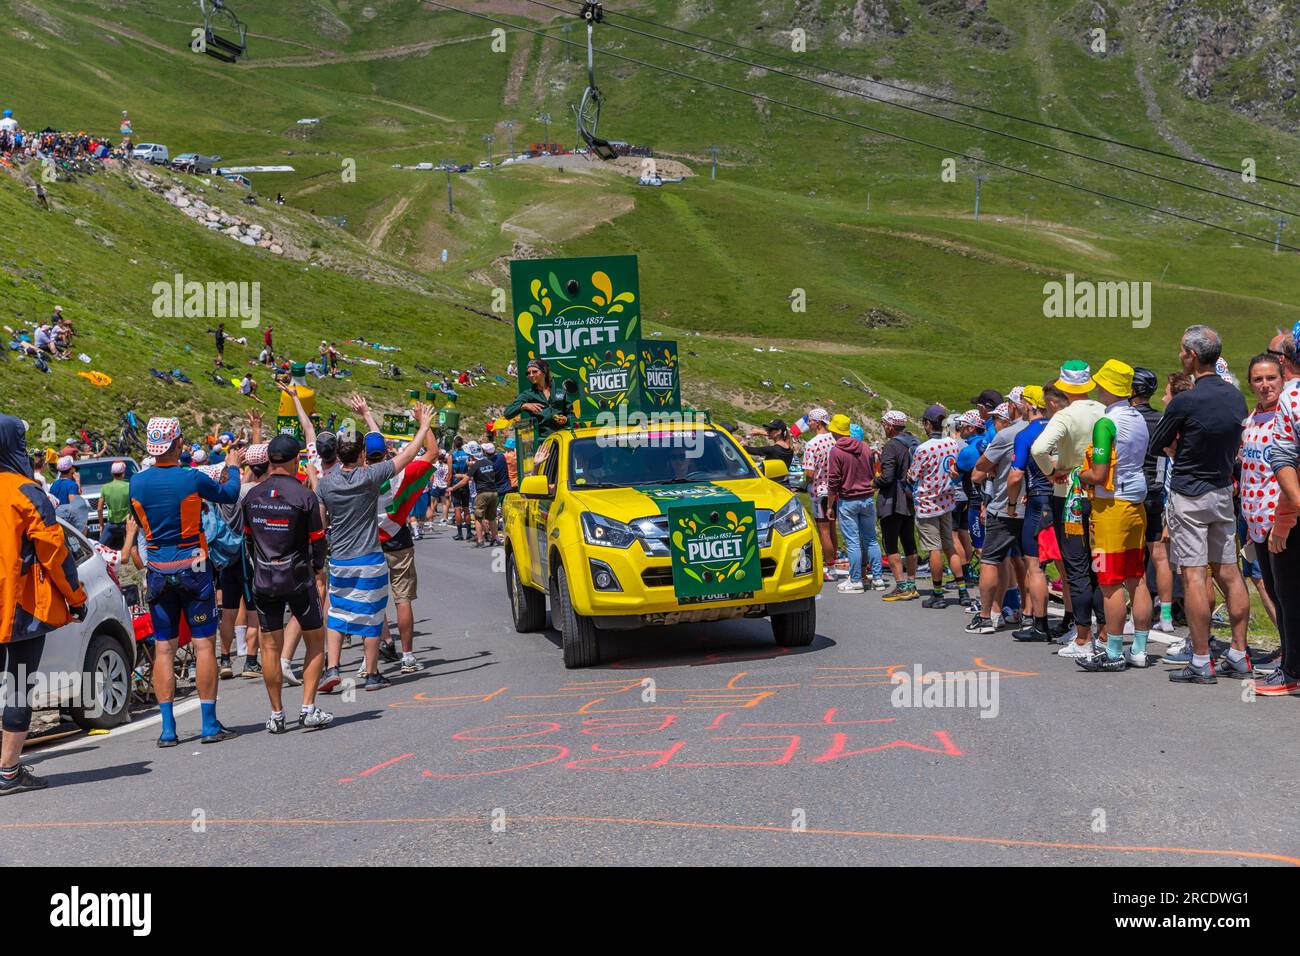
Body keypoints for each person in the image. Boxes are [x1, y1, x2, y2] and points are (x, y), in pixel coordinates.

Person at [129, 417, 242, 746]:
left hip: (158, 569)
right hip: (193, 565)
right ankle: (209, 724)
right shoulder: (190, 478)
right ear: (178, 444)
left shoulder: (137, 482)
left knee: (164, 648)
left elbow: (138, 520)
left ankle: (167, 729)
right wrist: (232, 466)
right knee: (203, 644)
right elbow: (230, 494)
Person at [1148, 326, 1251, 684]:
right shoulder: (1237, 398)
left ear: (1192, 355)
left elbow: (1158, 442)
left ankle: (1201, 658)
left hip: (1189, 491)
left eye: (1182, 351)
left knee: (1193, 574)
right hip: (1223, 490)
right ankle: (1239, 653)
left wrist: (1181, 448)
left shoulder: (1185, 400)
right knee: (1228, 571)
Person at [316, 395, 432, 693]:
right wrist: (424, 424)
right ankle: (371, 674)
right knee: (371, 612)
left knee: (337, 612)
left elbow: (321, 521)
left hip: (339, 557)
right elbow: (409, 454)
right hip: (368, 556)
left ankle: (332, 668)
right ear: (361, 455)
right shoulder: (370, 476)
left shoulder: (325, 482)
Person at [0, 415, 88, 795]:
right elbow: (55, 552)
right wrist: (77, 598)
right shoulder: (26, 491)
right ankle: (8, 772)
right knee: (19, 685)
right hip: (20, 608)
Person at [241, 434, 333, 732]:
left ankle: (277, 714)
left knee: (270, 647)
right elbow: (318, 541)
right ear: (296, 462)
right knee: (316, 641)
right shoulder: (305, 496)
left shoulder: (252, 496)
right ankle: (308, 707)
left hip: (265, 577)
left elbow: (247, 538)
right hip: (298, 577)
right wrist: (318, 568)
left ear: (269, 461)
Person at [1074, 360, 1154, 671]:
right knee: (1137, 577)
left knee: (1109, 581)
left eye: (1100, 383)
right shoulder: (1137, 418)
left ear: (1109, 387)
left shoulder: (1105, 423)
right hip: (1135, 504)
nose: (1096, 387)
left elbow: (1099, 472)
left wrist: (1082, 475)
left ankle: (1113, 652)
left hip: (1109, 508)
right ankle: (1140, 649)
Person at [353, 400, 438, 675]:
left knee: (372, 601)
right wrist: (423, 423)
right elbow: (432, 452)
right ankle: (408, 656)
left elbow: (376, 450)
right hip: (398, 538)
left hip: (369, 542)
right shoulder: (401, 472)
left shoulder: (356, 476)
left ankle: (374, 653)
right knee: (403, 600)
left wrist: (367, 414)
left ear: (364, 455)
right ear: (387, 452)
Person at [1031, 361, 1106, 654]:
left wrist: (1051, 472)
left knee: (1076, 566)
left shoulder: (1064, 415)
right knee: (1100, 568)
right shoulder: (1103, 411)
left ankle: (1083, 637)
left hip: (1068, 493)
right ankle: (1103, 634)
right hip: (1099, 491)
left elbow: (1038, 448)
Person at [1255, 324, 1300, 696]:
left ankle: (1292, 669)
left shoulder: (1292, 397)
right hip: (1266, 515)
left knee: (1289, 592)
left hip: (1289, 515)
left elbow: (1284, 456)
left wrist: (1288, 516)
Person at [1238, 353, 1286, 669]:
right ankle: (1289, 652)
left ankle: (1292, 662)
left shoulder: (1289, 417)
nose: (1265, 385)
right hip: (1255, 523)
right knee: (1274, 592)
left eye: (1271, 378)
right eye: (1258, 379)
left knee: (1287, 593)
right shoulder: (1251, 419)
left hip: (1281, 521)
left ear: (1283, 379)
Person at [967, 403, 1027, 632]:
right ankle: (1028, 613)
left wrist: (992, 470)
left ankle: (988, 615)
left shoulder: (1005, 434)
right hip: (1032, 506)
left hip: (1004, 505)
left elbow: (978, 471)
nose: (992, 423)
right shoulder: (1042, 429)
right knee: (1026, 562)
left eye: (995, 418)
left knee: (992, 560)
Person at [907, 404, 969, 609]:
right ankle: (963, 591)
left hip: (927, 503)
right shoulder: (953, 444)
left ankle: (938, 593)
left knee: (933, 549)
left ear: (927, 423)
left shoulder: (923, 449)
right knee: (949, 547)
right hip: (947, 500)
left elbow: (913, 475)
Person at [1129, 367, 1175, 635]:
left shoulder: (1126, 418)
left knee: (1136, 556)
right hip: (1157, 489)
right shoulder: (1162, 419)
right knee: (1159, 554)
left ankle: (1138, 612)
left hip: (1133, 490)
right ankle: (1166, 614)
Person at [1007, 386, 1055, 642]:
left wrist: (1012, 504)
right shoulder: (1059, 425)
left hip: (1037, 501)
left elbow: (1015, 476)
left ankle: (1040, 625)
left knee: (1035, 567)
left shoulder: (1026, 434)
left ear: (1029, 404)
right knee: (1067, 566)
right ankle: (1071, 621)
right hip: (1062, 498)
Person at [826, 413, 884, 593]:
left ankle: (856, 580)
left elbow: (833, 481)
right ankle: (878, 578)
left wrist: (829, 505)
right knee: (871, 540)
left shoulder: (836, 451)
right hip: (867, 498)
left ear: (835, 431)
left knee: (853, 543)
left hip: (848, 500)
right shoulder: (865, 447)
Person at [876, 410, 919, 601]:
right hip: (910, 498)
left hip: (892, 500)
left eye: (884, 424)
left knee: (891, 542)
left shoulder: (891, 446)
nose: (883, 427)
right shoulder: (913, 441)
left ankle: (901, 585)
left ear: (891, 426)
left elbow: (887, 477)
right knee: (909, 541)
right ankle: (911, 583)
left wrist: (873, 483)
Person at [801, 408, 839, 582]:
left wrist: (804, 485)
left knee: (823, 530)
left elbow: (809, 472)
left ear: (818, 422)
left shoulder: (812, 444)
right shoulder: (834, 439)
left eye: (810, 420)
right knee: (832, 528)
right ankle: (834, 564)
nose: (808, 424)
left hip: (819, 490)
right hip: (834, 489)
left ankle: (830, 567)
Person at [503, 358, 571, 439]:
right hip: (542, 442)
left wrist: (566, 419)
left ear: (544, 372)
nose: (531, 375)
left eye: (534, 371)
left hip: (563, 439)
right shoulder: (527, 394)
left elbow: (572, 415)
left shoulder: (560, 392)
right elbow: (507, 413)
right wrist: (524, 405)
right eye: (528, 373)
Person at [467, 441, 499, 547]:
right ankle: (495, 538)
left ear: (472, 456)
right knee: (492, 518)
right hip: (493, 492)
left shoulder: (476, 465)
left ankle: (480, 540)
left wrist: (453, 487)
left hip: (482, 493)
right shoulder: (489, 462)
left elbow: (467, 478)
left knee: (478, 518)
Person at [96, 460, 132, 549]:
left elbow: (99, 509)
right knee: (133, 547)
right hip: (126, 523)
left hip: (111, 523)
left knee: (100, 548)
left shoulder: (105, 487)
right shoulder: (129, 486)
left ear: (112, 473)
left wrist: (101, 525)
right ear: (123, 473)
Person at [448, 436, 472, 540]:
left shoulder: (452, 456)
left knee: (457, 509)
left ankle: (460, 533)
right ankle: (469, 532)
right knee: (466, 508)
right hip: (465, 483)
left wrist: (449, 486)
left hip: (455, 484)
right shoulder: (467, 455)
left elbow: (449, 473)